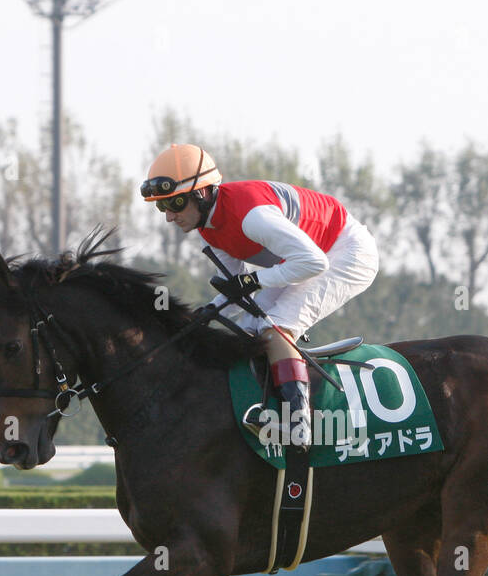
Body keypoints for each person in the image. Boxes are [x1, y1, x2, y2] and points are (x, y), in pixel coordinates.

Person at [140, 143, 379, 448]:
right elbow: (234, 292)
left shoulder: (253, 217)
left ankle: (299, 425)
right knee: (249, 328)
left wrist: (253, 280)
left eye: (173, 204)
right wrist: (201, 317)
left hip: (345, 251)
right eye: (162, 207)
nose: (169, 217)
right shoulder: (208, 228)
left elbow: (313, 262)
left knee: (275, 326)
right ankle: (266, 407)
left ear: (201, 194)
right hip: (297, 258)